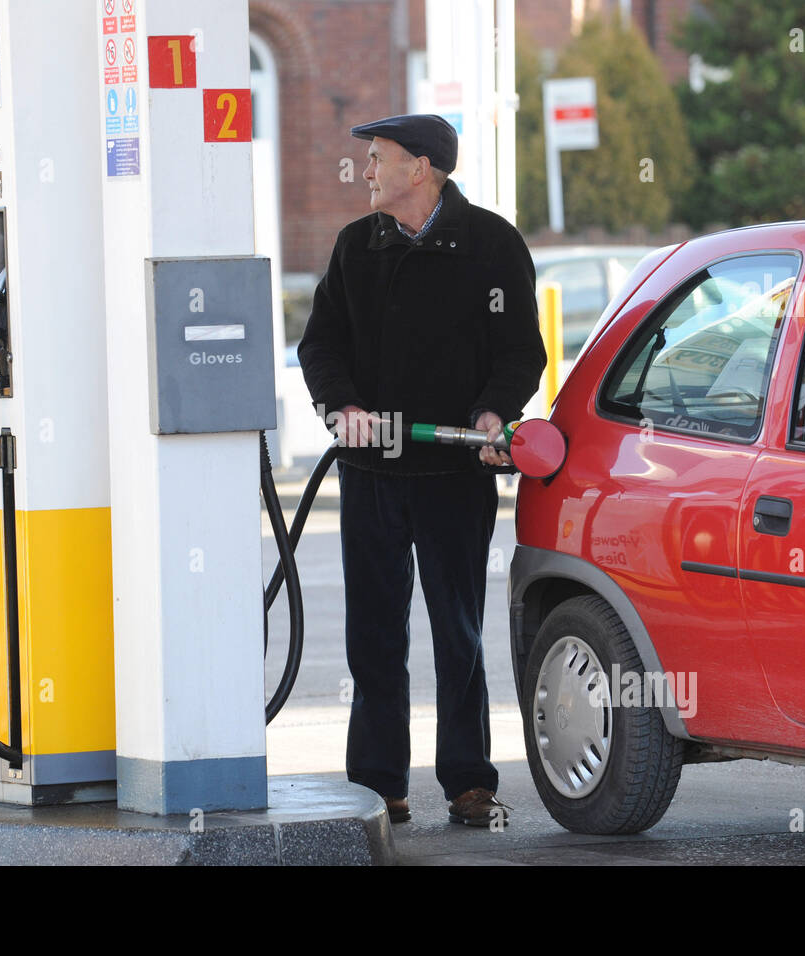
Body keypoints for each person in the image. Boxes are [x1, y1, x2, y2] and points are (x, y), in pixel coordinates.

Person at [297, 113, 547, 826]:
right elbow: (323, 345)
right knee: (373, 636)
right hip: (371, 473)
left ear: (423, 168)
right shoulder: (357, 247)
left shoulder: (491, 245)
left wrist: (495, 414)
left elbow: (518, 353)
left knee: (457, 633)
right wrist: (339, 405)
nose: (365, 172)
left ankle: (469, 781)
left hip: (452, 475)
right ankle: (379, 785)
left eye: (378, 159)